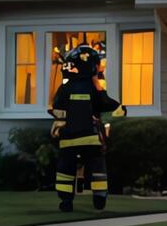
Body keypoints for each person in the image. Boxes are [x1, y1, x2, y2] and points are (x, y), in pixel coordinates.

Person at [49, 44, 125, 213]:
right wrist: (121, 109)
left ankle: (66, 201)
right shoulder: (95, 88)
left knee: (66, 170)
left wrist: (59, 127)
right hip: (91, 139)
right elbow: (108, 105)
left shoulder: (65, 88)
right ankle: (99, 198)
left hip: (68, 140)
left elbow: (56, 108)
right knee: (97, 168)